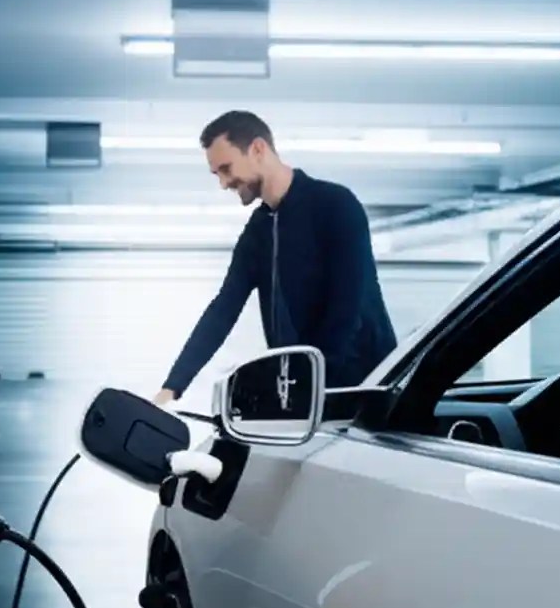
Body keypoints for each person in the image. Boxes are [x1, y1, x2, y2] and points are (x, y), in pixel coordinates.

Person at [153, 110, 397, 407]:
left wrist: (312, 383)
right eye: (217, 174)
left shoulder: (335, 204)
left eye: (226, 169)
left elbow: (347, 306)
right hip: (310, 395)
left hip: (364, 391)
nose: (223, 183)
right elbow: (223, 309)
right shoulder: (259, 231)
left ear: (258, 149)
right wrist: (172, 387)